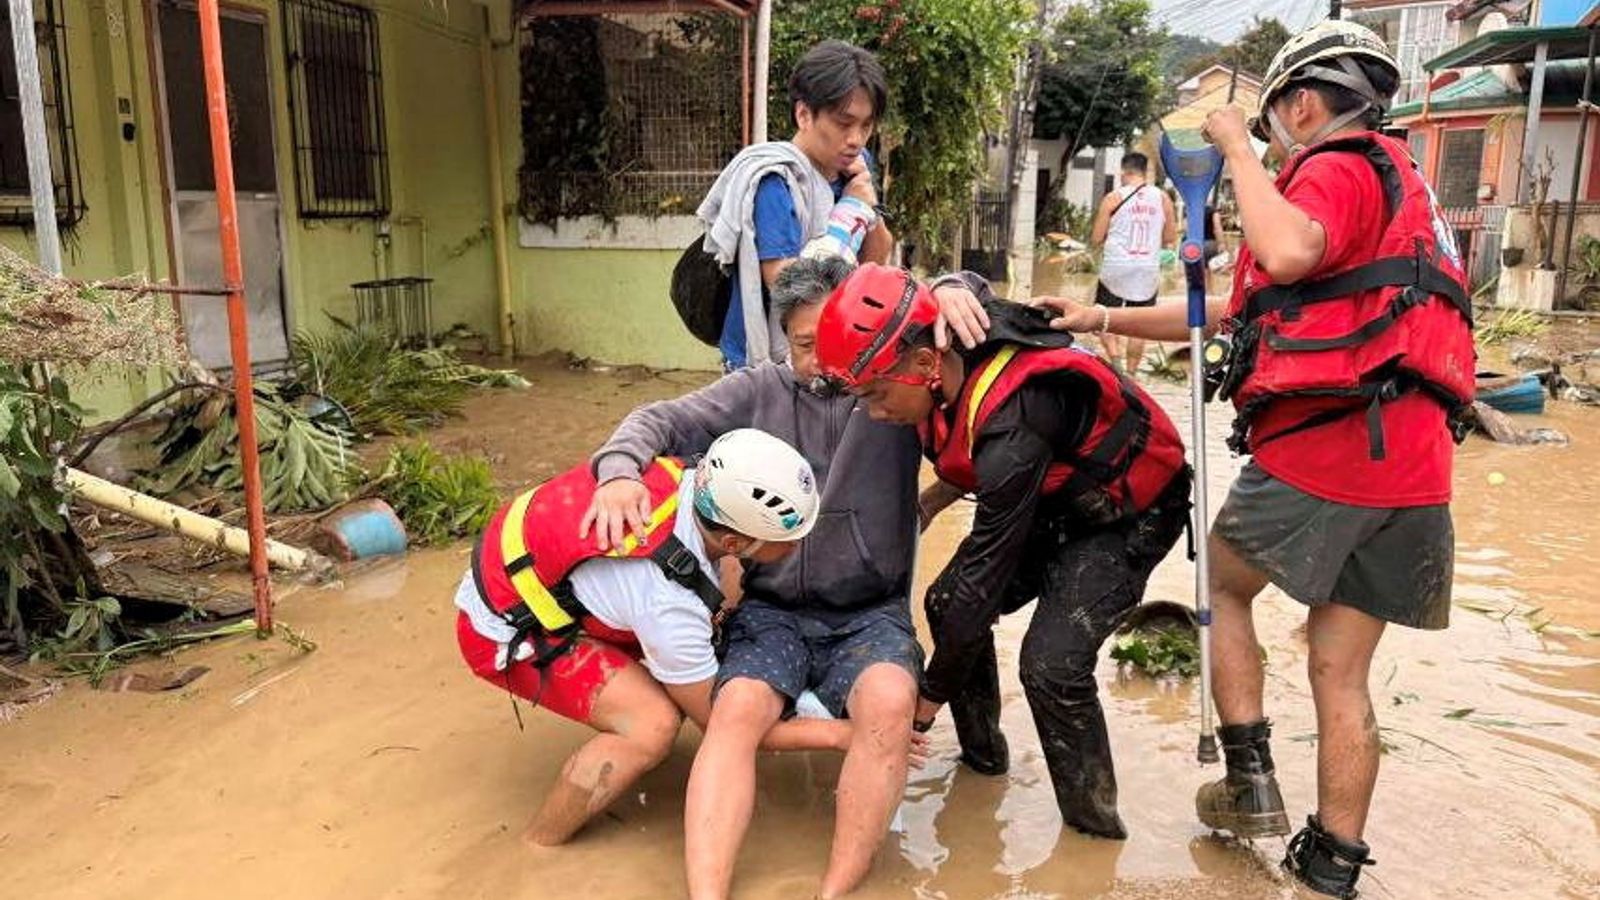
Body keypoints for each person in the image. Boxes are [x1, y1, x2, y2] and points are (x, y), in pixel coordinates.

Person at [1036, 20, 1474, 899]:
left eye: (1271, 116)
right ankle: (1330, 867)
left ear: (1302, 104)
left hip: (1334, 449)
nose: (1268, 133)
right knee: (1340, 668)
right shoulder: (1401, 193)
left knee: (1222, 582)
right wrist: (1101, 319)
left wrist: (1235, 145)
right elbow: (1226, 319)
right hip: (1415, 471)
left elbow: (1285, 253)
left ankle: (1249, 780)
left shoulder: (1338, 169)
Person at [582, 257, 986, 898]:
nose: (829, 362)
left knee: (887, 706)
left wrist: (953, 288)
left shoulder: (889, 389)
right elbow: (658, 421)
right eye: (807, 345)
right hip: (770, 611)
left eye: (838, 343)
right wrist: (620, 471)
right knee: (734, 711)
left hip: (870, 611)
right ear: (782, 340)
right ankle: (707, 894)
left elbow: (962, 330)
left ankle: (835, 890)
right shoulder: (754, 392)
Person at [812, 263, 1192, 840]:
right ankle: (983, 762)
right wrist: (937, 498)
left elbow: (985, 581)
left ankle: (1092, 839)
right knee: (943, 603)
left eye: (877, 394)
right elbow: (967, 290)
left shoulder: (1016, 418)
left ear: (922, 366)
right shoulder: (951, 337)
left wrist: (927, 700)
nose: (874, 412)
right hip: (1055, 495)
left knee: (1050, 666)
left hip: (1128, 513)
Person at [456, 428, 844, 847]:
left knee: (728, 590)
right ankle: (540, 844)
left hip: (532, 573)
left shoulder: (693, 477)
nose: (797, 547)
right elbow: (723, 725)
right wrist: (839, 734)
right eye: (788, 542)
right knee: (652, 724)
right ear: (732, 539)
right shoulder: (667, 602)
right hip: (502, 630)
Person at [697, 40, 895, 370]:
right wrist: (849, 214)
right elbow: (789, 286)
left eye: (866, 125)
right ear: (804, 114)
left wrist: (865, 207)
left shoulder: (856, 166)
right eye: (844, 123)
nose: (856, 139)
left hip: (832, 348)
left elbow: (875, 260)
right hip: (768, 361)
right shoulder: (776, 181)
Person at [1090, 152, 1176, 376]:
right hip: (1147, 268)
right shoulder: (1163, 198)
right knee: (1140, 324)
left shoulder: (1113, 198)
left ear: (1124, 172)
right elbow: (1170, 237)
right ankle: (1132, 375)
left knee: (1106, 318)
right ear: (1145, 171)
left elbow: (1097, 238)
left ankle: (1116, 362)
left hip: (1115, 268)